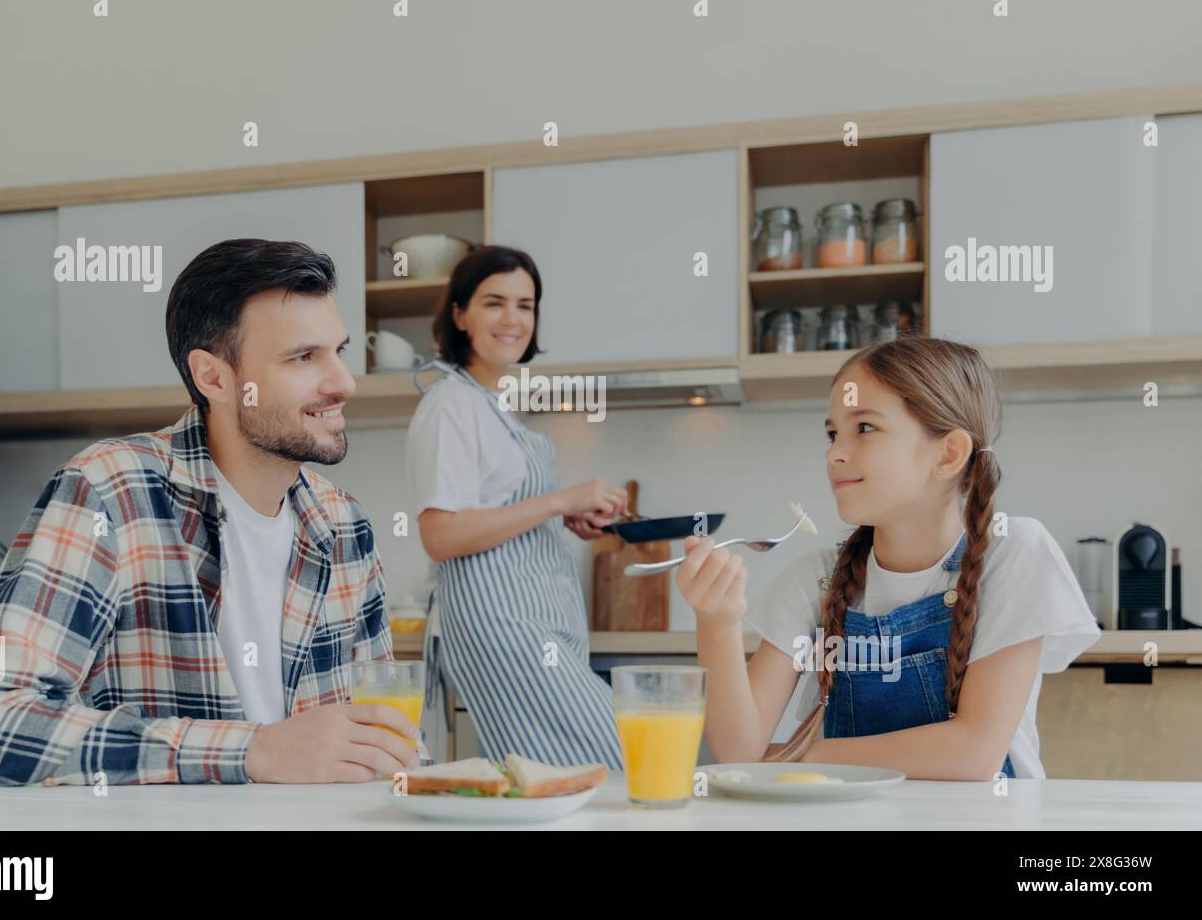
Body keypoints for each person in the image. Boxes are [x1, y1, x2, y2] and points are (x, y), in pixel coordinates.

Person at [0, 239, 420, 786]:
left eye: (340, 351)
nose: (343, 383)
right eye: (304, 357)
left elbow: (379, 739)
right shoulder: (110, 491)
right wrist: (249, 751)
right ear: (214, 378)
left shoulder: (344, 525)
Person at [676, 335, 1100, 779]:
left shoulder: (1014, 551)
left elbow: (972, 753)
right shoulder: (816, 578)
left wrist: (796, 755)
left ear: (948, 453)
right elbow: (738, 749)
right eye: (832, 432)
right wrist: (716, 622)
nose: (834, 453)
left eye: (864, 428)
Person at [406, 245, 626, 768]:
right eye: (494, 303)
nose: (513, 319)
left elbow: (497, 513)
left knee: (560, 783)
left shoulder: (495, 408)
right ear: (459, 314)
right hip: (502, 625)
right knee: (623, 762)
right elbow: (441, 534)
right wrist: (557, 499)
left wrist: (563, 515)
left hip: (541, 624)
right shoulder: (450, 404)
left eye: (525, 305)